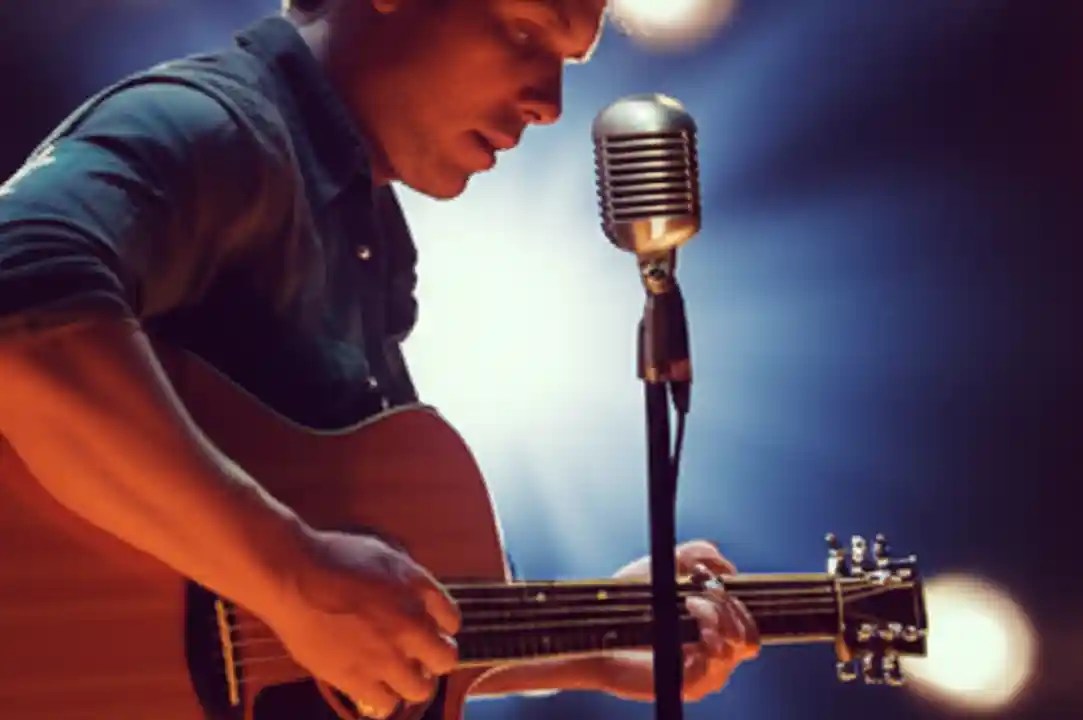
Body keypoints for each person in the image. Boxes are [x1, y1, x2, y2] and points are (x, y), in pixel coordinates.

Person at [0, 0, 759, 717]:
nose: (551, 104)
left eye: (567, 62)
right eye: (526, 33)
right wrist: (292, 573)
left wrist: (595, 645)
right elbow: (18, 301)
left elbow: (321, 623)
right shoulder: (217, 127)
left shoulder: (365, 237)